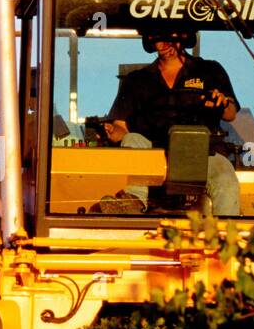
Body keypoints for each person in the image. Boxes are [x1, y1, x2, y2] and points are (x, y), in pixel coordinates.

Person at [100, 28, 242, 216]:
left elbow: (230, 113)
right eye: (159, 40)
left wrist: (222, 102)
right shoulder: (137, 80)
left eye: (171, 38)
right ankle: (133, 202)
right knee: (133, 139)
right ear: (149, 42)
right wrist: (112, 131)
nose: (166, 45)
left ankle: (226, 236)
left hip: (202, 151)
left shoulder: (210, 70)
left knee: (225, 178)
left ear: (184, 36)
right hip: (153, 152)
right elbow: (121, 127)